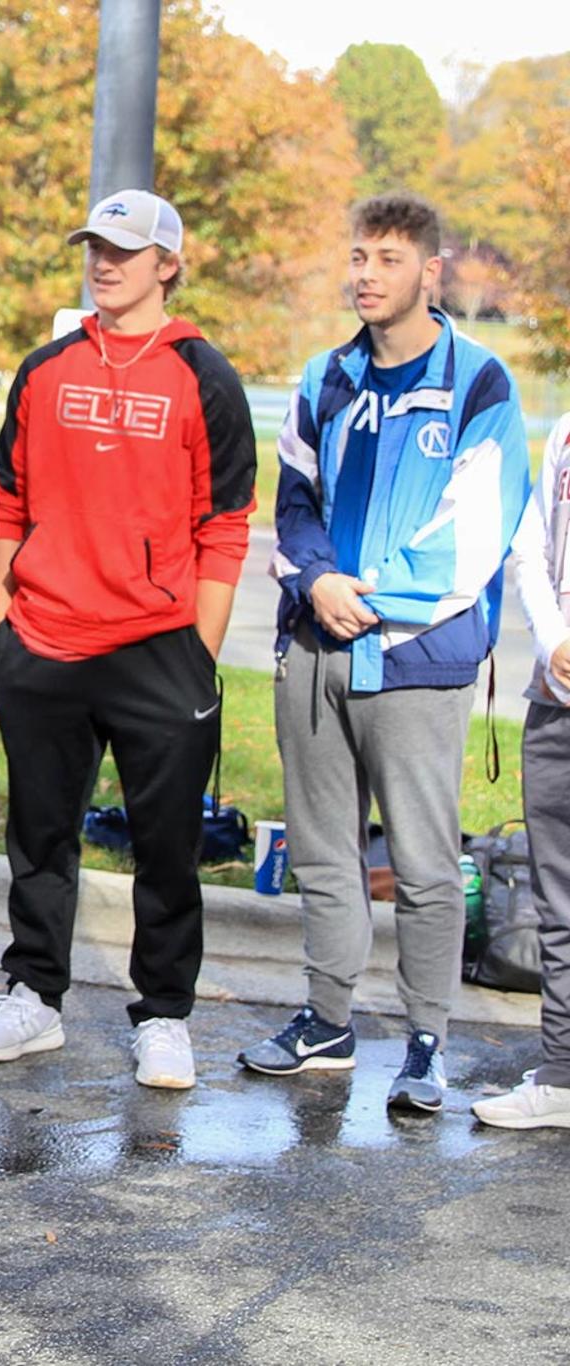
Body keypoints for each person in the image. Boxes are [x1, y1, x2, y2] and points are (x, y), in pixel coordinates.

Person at [239, 192, 532, 1114]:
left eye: (388, 259)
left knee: (424, 864)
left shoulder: (479, 383)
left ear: (430, 272)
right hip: (314, 645)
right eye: (358, 256)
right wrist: (318, 582)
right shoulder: (326, 377)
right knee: (325, 855)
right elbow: (291, 503)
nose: (365, 274)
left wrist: (369, 601)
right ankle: (326, 1023)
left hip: (417, 659)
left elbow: (476, 534)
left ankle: (427, 1041)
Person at [0, 190, 256, 1090]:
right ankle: (34, 996)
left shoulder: (205, 375)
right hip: (43, 641)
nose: (105, 261)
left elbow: (227, 524)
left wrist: (196, 651)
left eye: (125, 250)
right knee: (39, 835)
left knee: (166, 846)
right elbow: (9, 501)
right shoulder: (47, 368)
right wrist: (5, 626)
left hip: (157, 650)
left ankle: (164, 1015)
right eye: (95, 246)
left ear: (168, 263)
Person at [474, 412, 570, 1128]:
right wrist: (555, 640)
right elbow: (531, 550)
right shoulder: (566, 431)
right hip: (557, 702)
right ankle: (563, 1076)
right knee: (559, 905)